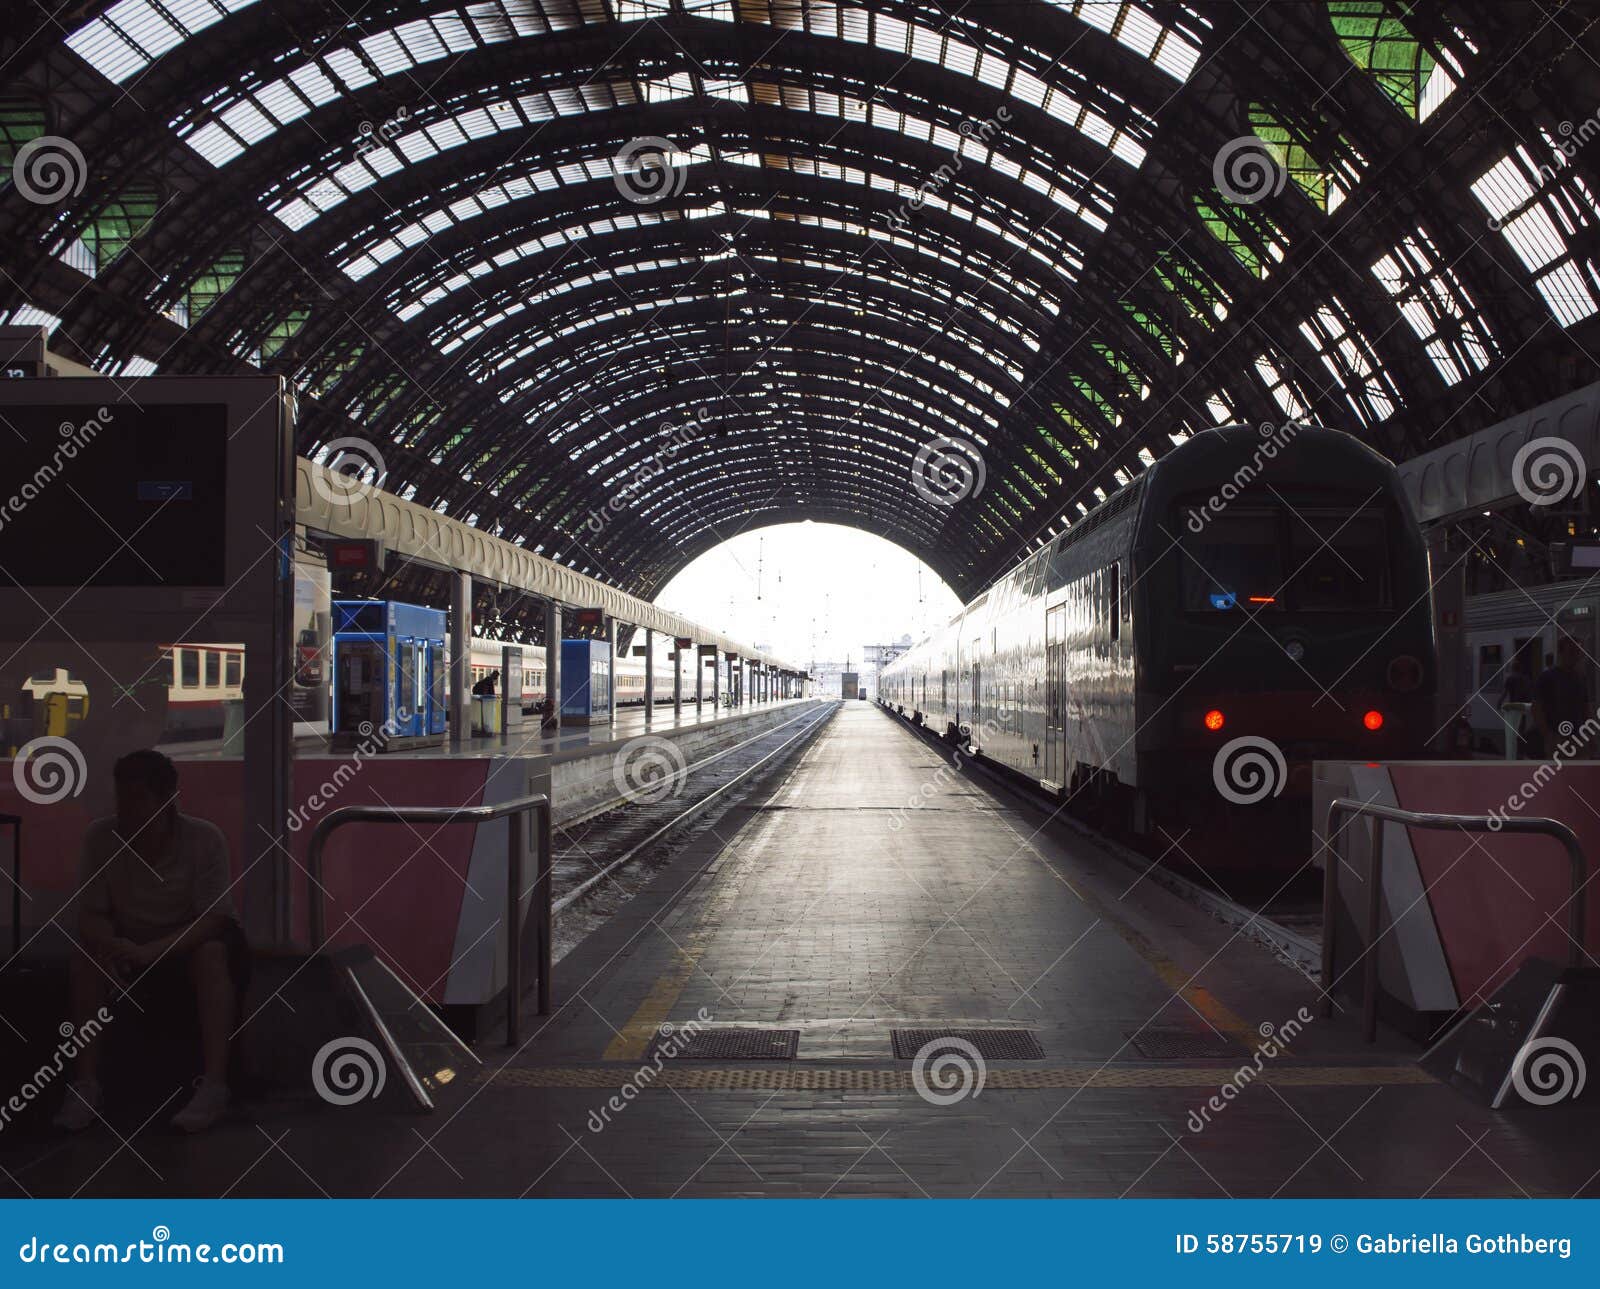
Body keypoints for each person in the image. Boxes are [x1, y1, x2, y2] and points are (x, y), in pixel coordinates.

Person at [54, 749, 248, 1134]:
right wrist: (111, 946)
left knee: (212, 955)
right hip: (128, 943)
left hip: (186, 943)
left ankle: (214, 1085)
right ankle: (86, 1085)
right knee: (84, 961)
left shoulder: (204, 840)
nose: (126, 810)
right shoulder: (101, 838)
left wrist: (149, 952)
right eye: (121, 798)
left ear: (167, 802)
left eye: (137, 799)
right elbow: (90, 913)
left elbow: (214, 918)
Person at [1534, 635, 1591, 758]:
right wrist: (1548, 736)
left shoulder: (1580, 678)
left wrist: (1589, 736)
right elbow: (1537, 709)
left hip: (1577, 737)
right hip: (1556, 737)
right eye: (1571, 652)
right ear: (1560, 653)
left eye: (1577, 652)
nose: (1576, 656)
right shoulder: (1547, 678)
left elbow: (1585, 708)